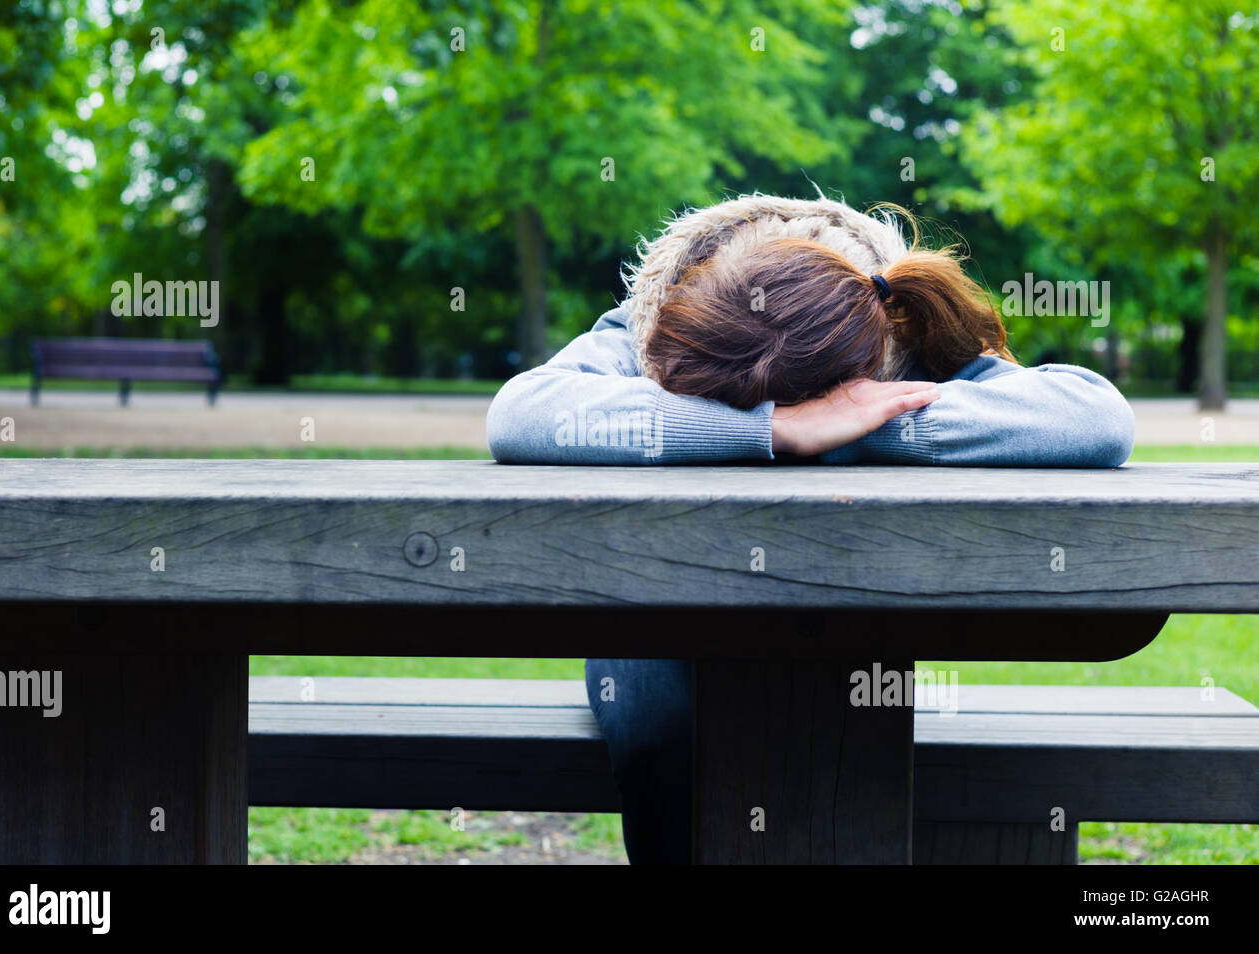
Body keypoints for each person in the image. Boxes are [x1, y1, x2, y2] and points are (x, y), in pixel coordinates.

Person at [484, 192, 1135, 863]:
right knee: (661, 733)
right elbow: (521, 413)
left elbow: (1095, 418)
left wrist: (862, 424)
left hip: (849, 619)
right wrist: (772, 429)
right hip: (661, 615)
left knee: (851, 740)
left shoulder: (891, 324)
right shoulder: (663, 310)